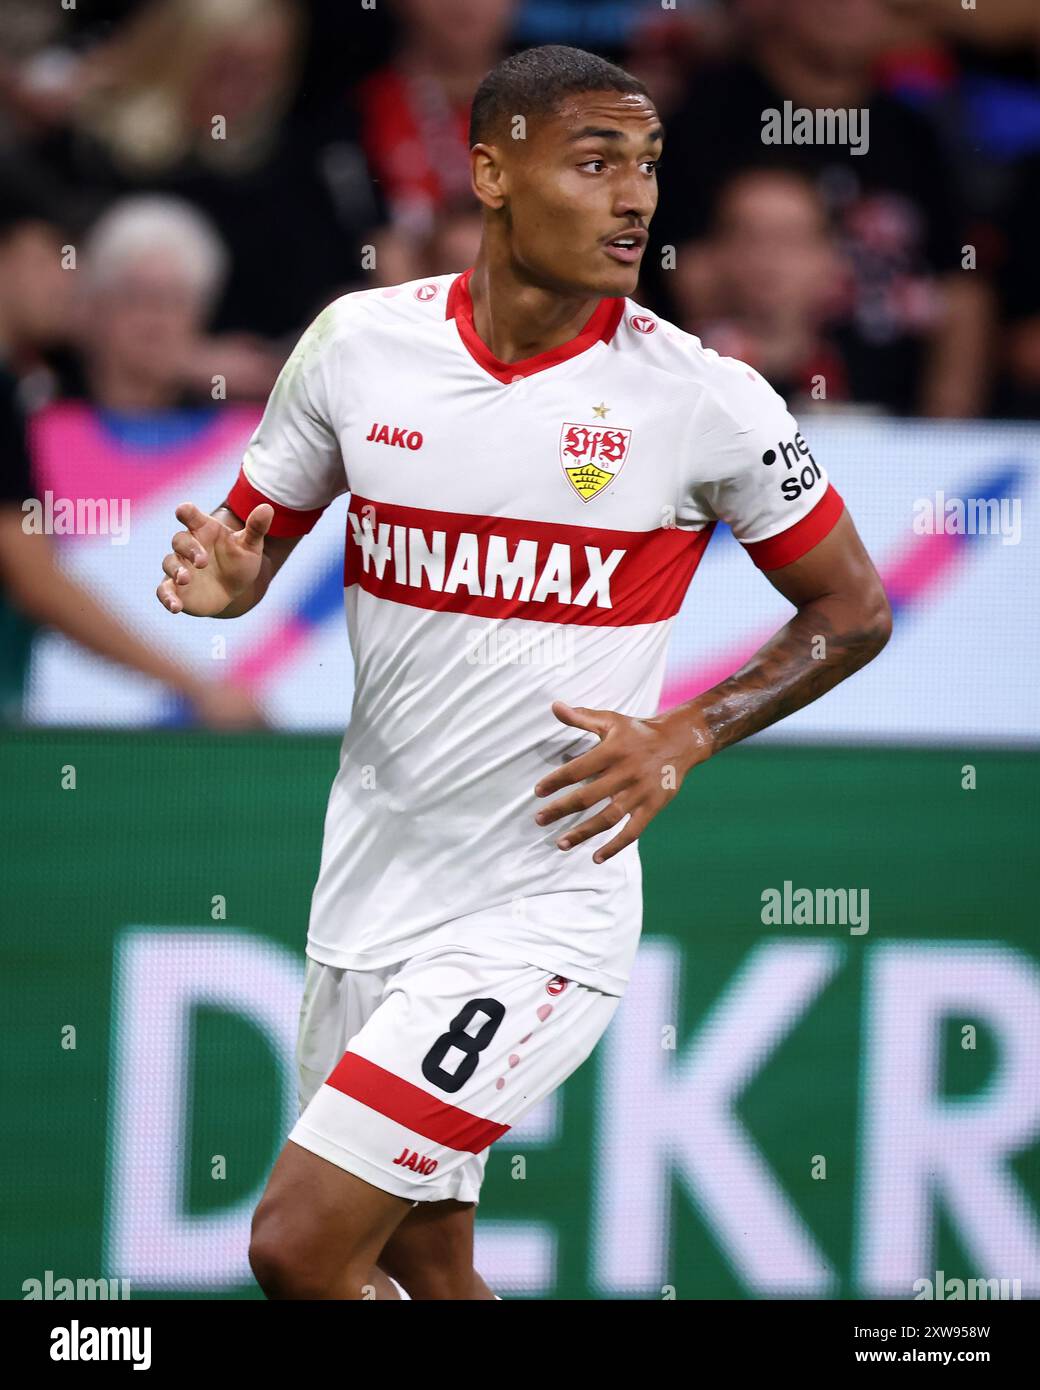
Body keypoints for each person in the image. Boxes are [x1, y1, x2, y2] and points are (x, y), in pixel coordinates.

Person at [154, 45, 892, 1299]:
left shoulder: (701, 398)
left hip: (539, 910)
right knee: (429, 1269)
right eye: (595, 162)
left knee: (296, 1248)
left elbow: (853, 608)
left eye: (647, 167)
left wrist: (685, 734)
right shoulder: (357, 347)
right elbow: (249, 543)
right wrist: (229, 582)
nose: (634, 199)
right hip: (367, 891)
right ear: (489, 172)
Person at [0, 189, 263, 729]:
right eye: (136, 296)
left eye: (176, 300)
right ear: (90, 307)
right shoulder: (32, 417)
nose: (155, 321)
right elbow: (32, 577)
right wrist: (198, 689)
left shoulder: (248, 435)